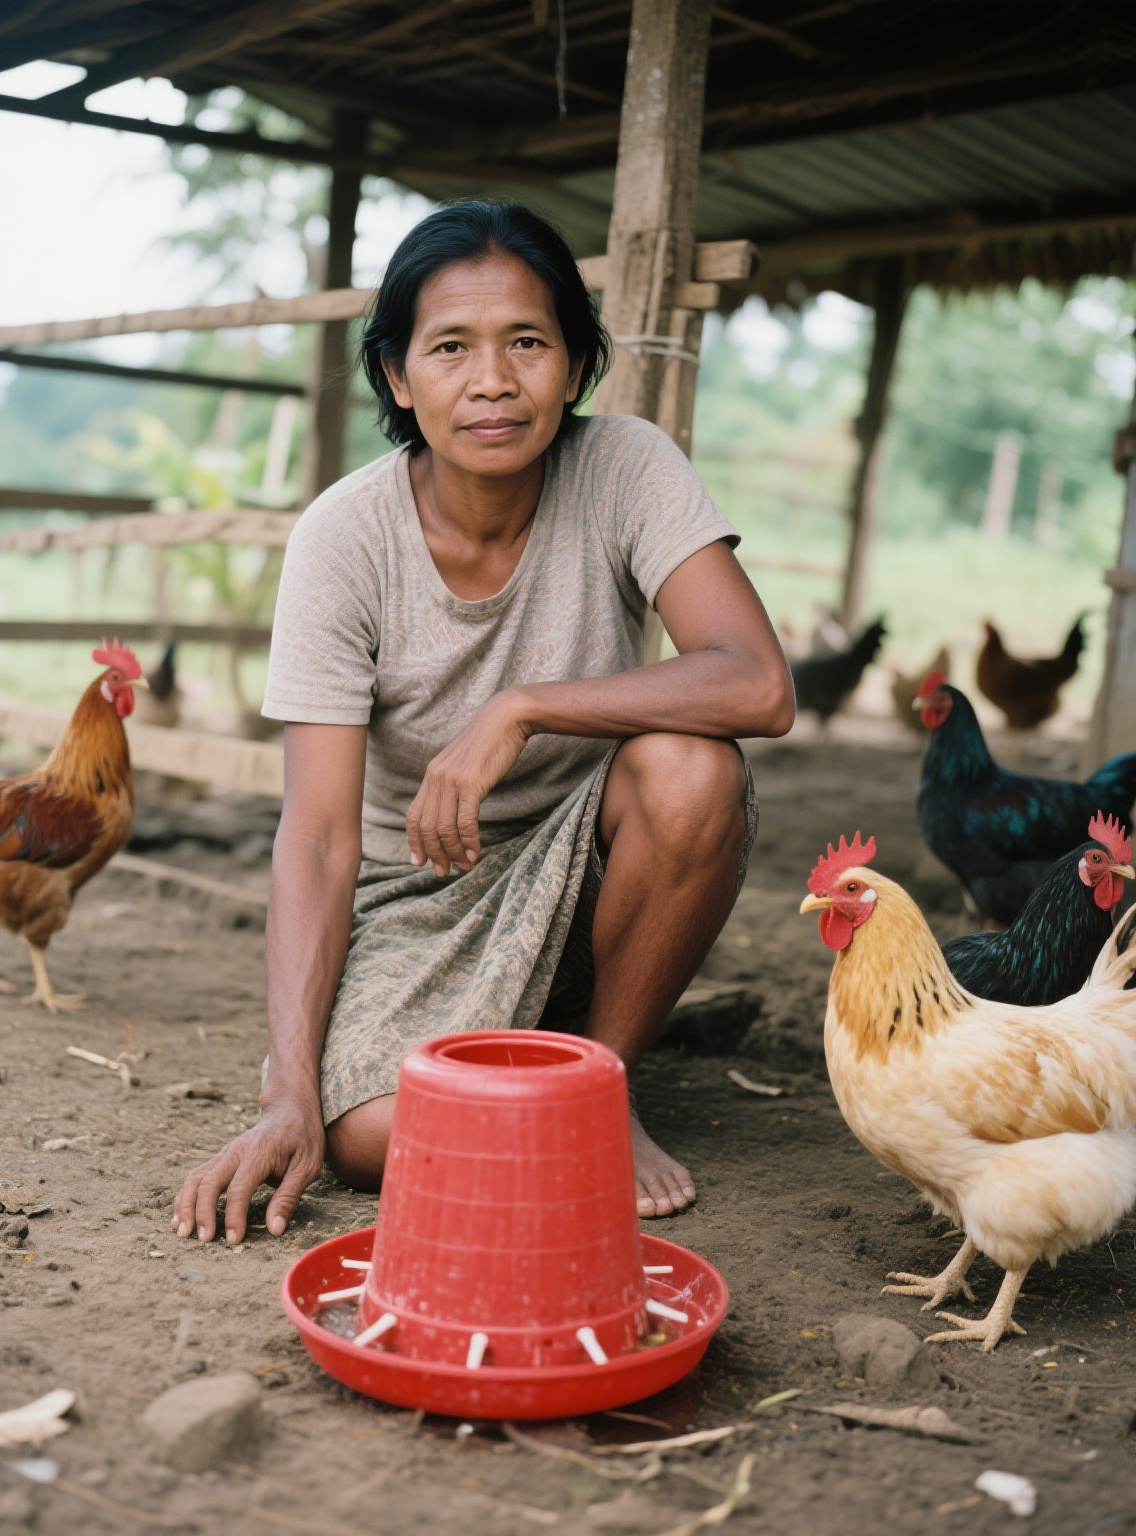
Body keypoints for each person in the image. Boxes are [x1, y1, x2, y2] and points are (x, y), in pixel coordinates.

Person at [174, 200, 793, 1246]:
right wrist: (288, 1092)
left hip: (589, 868)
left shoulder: (626, 469)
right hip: (413, 893)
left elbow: (757, 685)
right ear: (397, 379)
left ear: (578, 365)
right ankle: (523, 1069)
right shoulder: (343, 538)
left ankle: (600, 1083)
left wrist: (526, 706)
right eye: (450, 347)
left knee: (692, 770)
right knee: (370, 1136)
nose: (494, 380)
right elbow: (319, 838)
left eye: (528, 343)